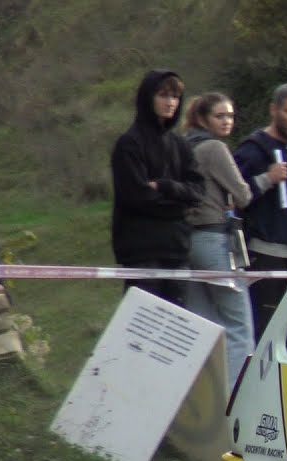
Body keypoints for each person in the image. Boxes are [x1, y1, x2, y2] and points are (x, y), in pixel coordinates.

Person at [109, 69, 204, 306]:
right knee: (142, 319)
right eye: (163, 95)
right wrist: (180, 204)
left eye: (175, 96)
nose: (170, 102)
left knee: (176, 320)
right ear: (148, 97)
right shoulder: (129, 143)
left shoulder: (181, 144)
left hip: (177, 248)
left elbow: (198, 191)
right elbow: (137, 196)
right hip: (141, 250)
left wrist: (165, 186)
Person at [183, 92, 255, 378]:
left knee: (204, 324)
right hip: (214, 239)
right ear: (203, 119)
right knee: (239, 326)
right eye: (220, 116)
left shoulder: (181, 147)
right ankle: (235, 395)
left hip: (186, 241)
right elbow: (244, 194)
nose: (227, 121)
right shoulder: (214, 148)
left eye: (230, 116)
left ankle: (202, 394)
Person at [234, 82, 287, 338]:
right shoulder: (252, 150)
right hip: (263, 255)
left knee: (286, 330)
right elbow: (232, 197)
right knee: (263, 329)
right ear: (273, 110)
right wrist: (266, 179)